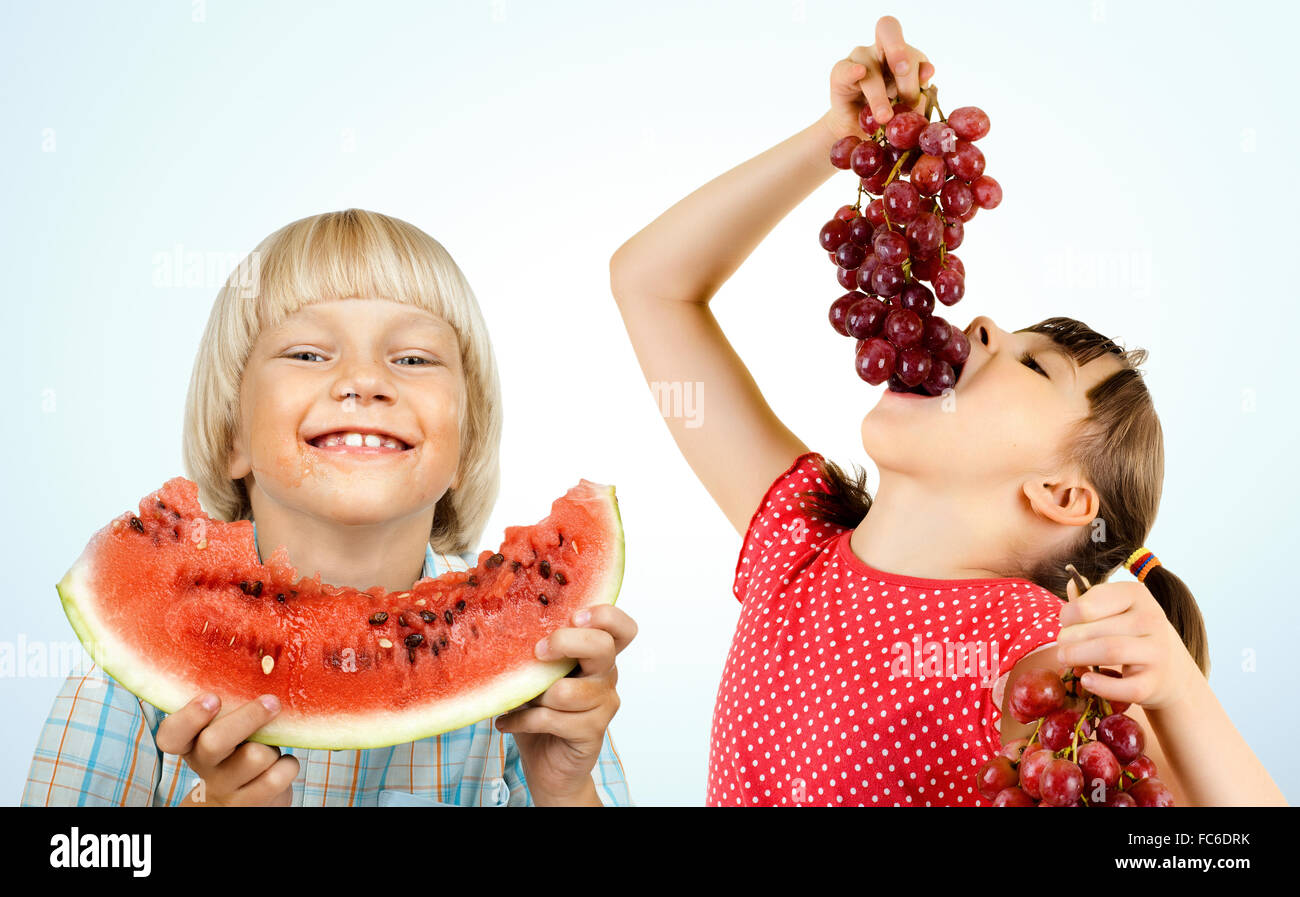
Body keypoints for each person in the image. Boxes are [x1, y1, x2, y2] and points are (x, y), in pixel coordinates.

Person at [608, 16, 1285, 806]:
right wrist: (836, 140)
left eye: (1034, 364)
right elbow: (649, 283)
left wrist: (1177, 691)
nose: (982, 325)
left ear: (1062, 498)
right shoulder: (796, 543)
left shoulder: (1039, 653)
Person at [24, 209, 635, 806]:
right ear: (233, 433)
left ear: (464, 446)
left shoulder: (536, 666)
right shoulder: (127, 680)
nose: (364, 380)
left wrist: (565, 789)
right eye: (309, 354)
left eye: (414, 359)